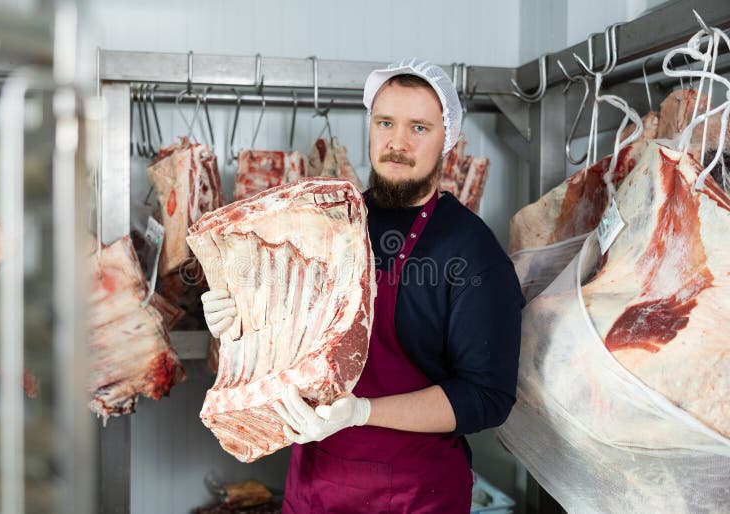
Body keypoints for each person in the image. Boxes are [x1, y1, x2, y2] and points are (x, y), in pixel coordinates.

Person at [201, 58, 525, 513]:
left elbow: (486, 397)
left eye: (419, 128)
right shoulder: (324, 224)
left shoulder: (471, 251)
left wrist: (363, 412)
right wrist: (239, 322)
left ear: (447, 141)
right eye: (386, 122)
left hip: (415, 495)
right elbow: (286, 338)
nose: (397, 142)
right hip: (314, 484)